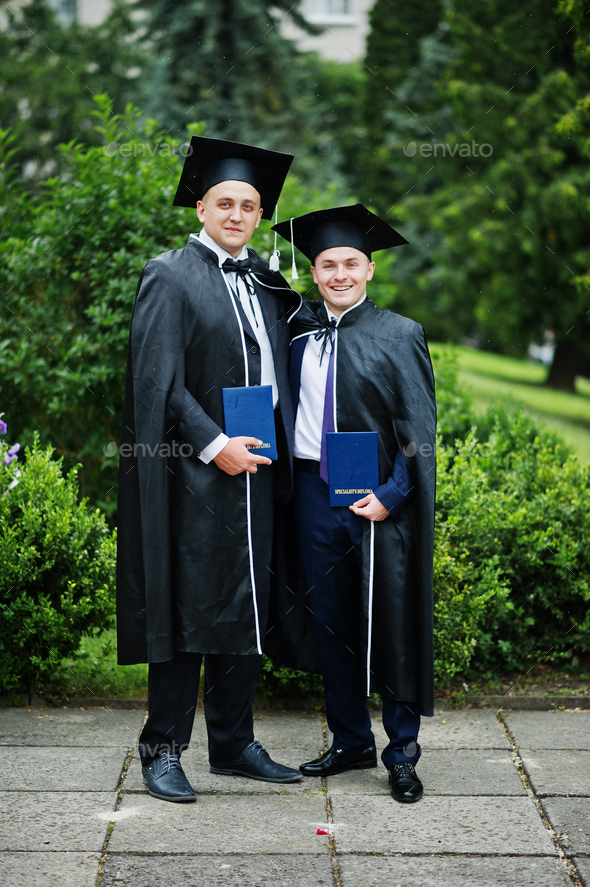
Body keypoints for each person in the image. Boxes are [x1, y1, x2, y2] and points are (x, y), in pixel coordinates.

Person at [116, 137, 303, 803]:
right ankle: (161, 746)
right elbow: (156, 380)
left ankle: (233, 742)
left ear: (259, 216)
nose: (236, 213)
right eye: (225, 202)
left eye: (249, 205)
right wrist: (212, 442)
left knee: (245, 603)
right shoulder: (169, 274)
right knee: (188, 603)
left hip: (258, 474)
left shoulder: (268, 283)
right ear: (201, 206)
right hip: (195, 479)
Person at [272, 204, 436, 803]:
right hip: (314, 493)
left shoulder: (399, 335)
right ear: (314, 273)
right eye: (327, 265)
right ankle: (349, 740)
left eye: (350, 263)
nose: (339, 274)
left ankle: (401, 753)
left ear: (369, 270)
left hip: (376, 501)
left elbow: (419, 430)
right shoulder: (300, 335)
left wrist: (393, 495)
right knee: (334, 622)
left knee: (388, 619)